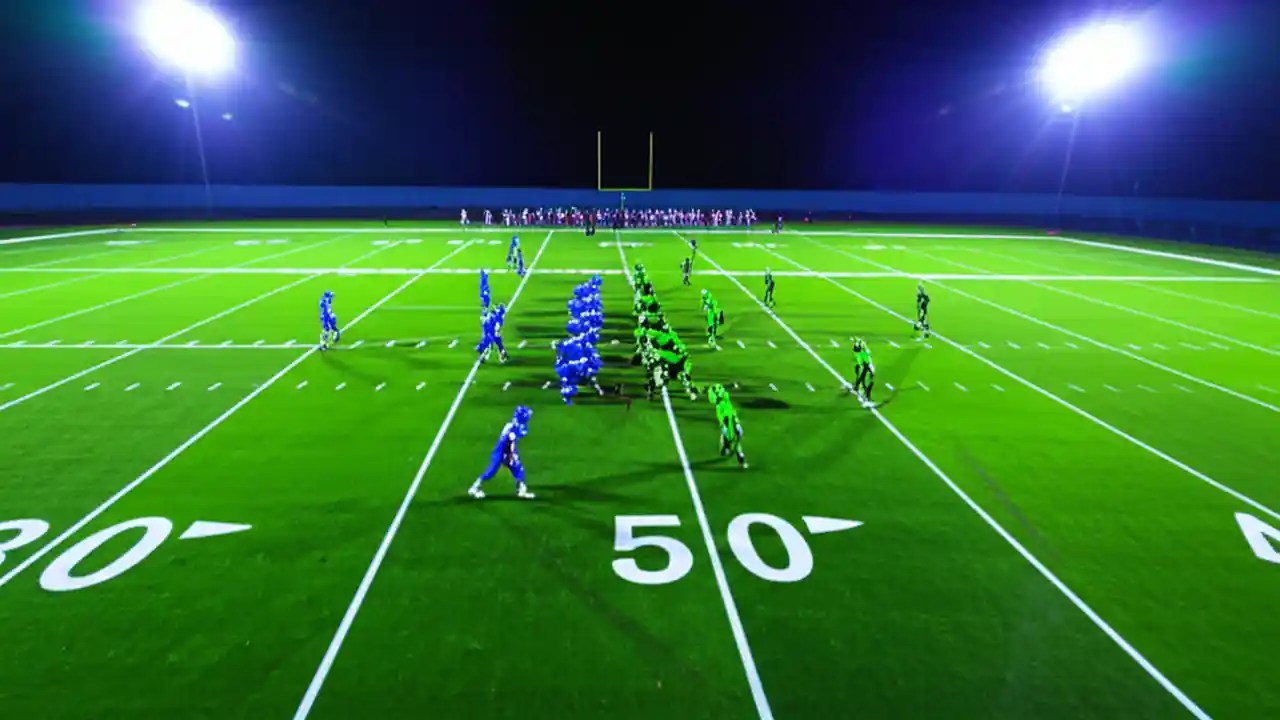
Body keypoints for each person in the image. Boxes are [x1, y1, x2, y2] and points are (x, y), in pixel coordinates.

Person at [468, 406, 535, 500]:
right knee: (491, 470)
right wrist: (510, 456)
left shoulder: (513, 425)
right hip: (501, 451)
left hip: (508, 449)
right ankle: (475, 487)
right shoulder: (513, 428)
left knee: (519, 468)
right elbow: (509, 443)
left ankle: (521, 490)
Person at [852, 337, 876, 407]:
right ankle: (867, 398)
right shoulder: (862, 353)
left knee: (863, 379)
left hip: (866, 366)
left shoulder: (860, 353)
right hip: (867, 366)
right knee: (869, 382)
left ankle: (857, 387)